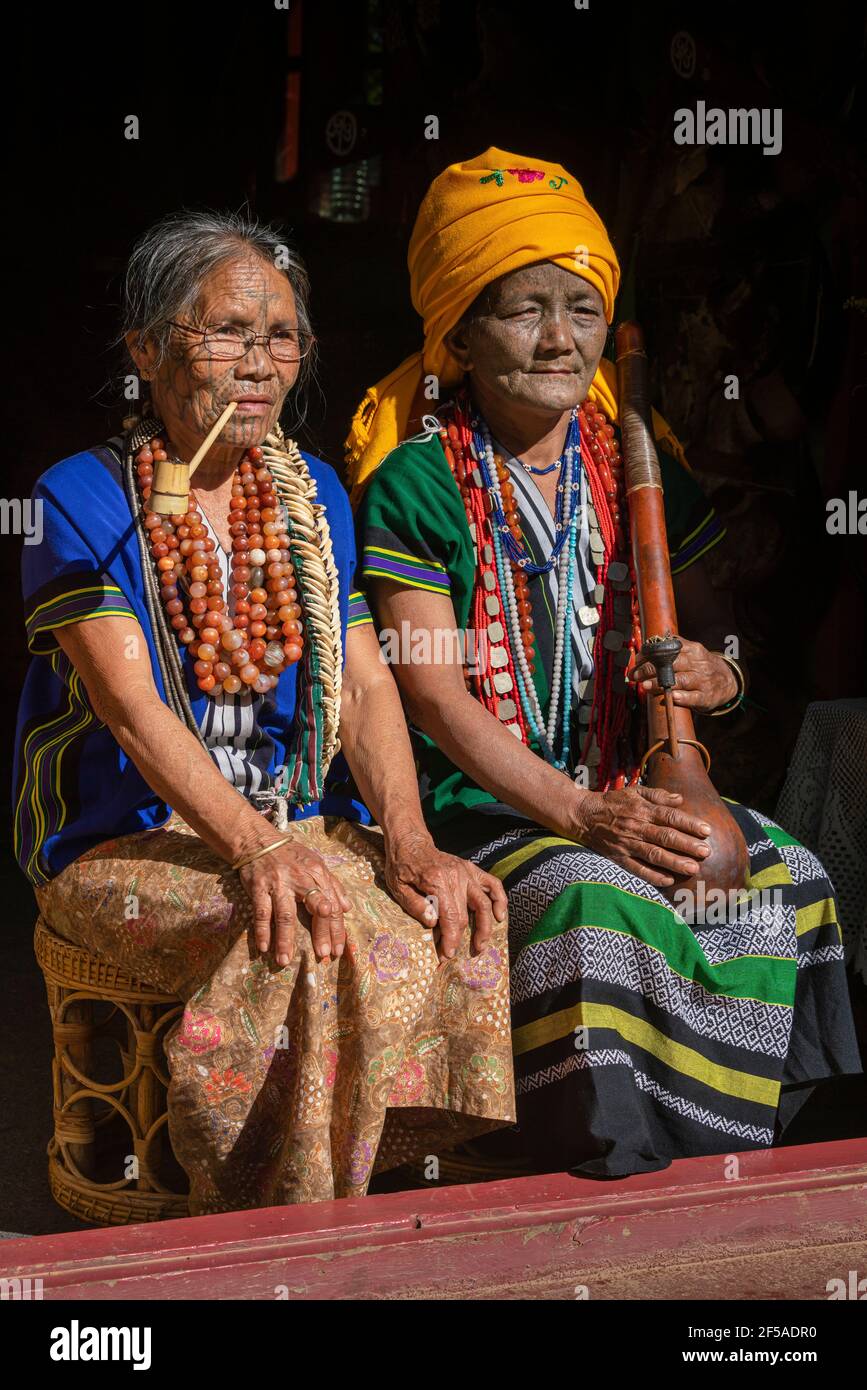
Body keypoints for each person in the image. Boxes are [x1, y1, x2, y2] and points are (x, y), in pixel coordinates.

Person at [349, 148, 862, 1178]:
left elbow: (721, 640)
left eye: (582, 309)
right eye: (522, 308)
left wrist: (717, 678)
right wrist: (581, 813)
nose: (558, 338)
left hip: (632, 787)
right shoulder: (415, 480)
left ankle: (747, 1156)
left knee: (791, 876)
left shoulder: (640, 454)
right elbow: (433, 692)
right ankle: (608, 1158)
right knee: (597, 894)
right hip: (486, 811)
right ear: (459, 330)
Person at [12, 209, 514, 1216]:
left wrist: (409, 840)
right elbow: (130, 711)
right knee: (297, 928)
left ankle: (405, 1182)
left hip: (288, 823)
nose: (260, 361)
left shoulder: (312, 490)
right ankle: (267, 1217)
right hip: (125, 841)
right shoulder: (79, 496)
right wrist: (253, 847)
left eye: (281, 337)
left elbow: (370, 685)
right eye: (227, 331)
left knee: (453, 905)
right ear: (146, 349)